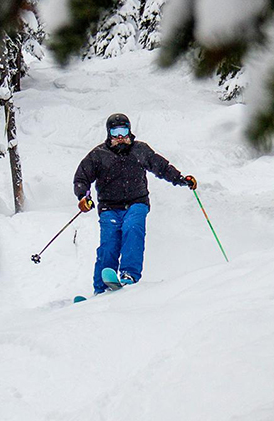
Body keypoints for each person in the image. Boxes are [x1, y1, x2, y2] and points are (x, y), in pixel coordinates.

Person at [73, 113, 196, 294]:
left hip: (136, 203)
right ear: (109, 133)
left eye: (124, 131)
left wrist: (180, 179)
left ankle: (128, 275)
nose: (120, 136)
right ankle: (100, 288)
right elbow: (82, 177)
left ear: (130, 131)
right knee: (109, 244)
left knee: (132, 228)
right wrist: (83, 196)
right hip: (109, 207)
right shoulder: (98, 155)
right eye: (116, 132)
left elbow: (161, 166)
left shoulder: (140, 150)